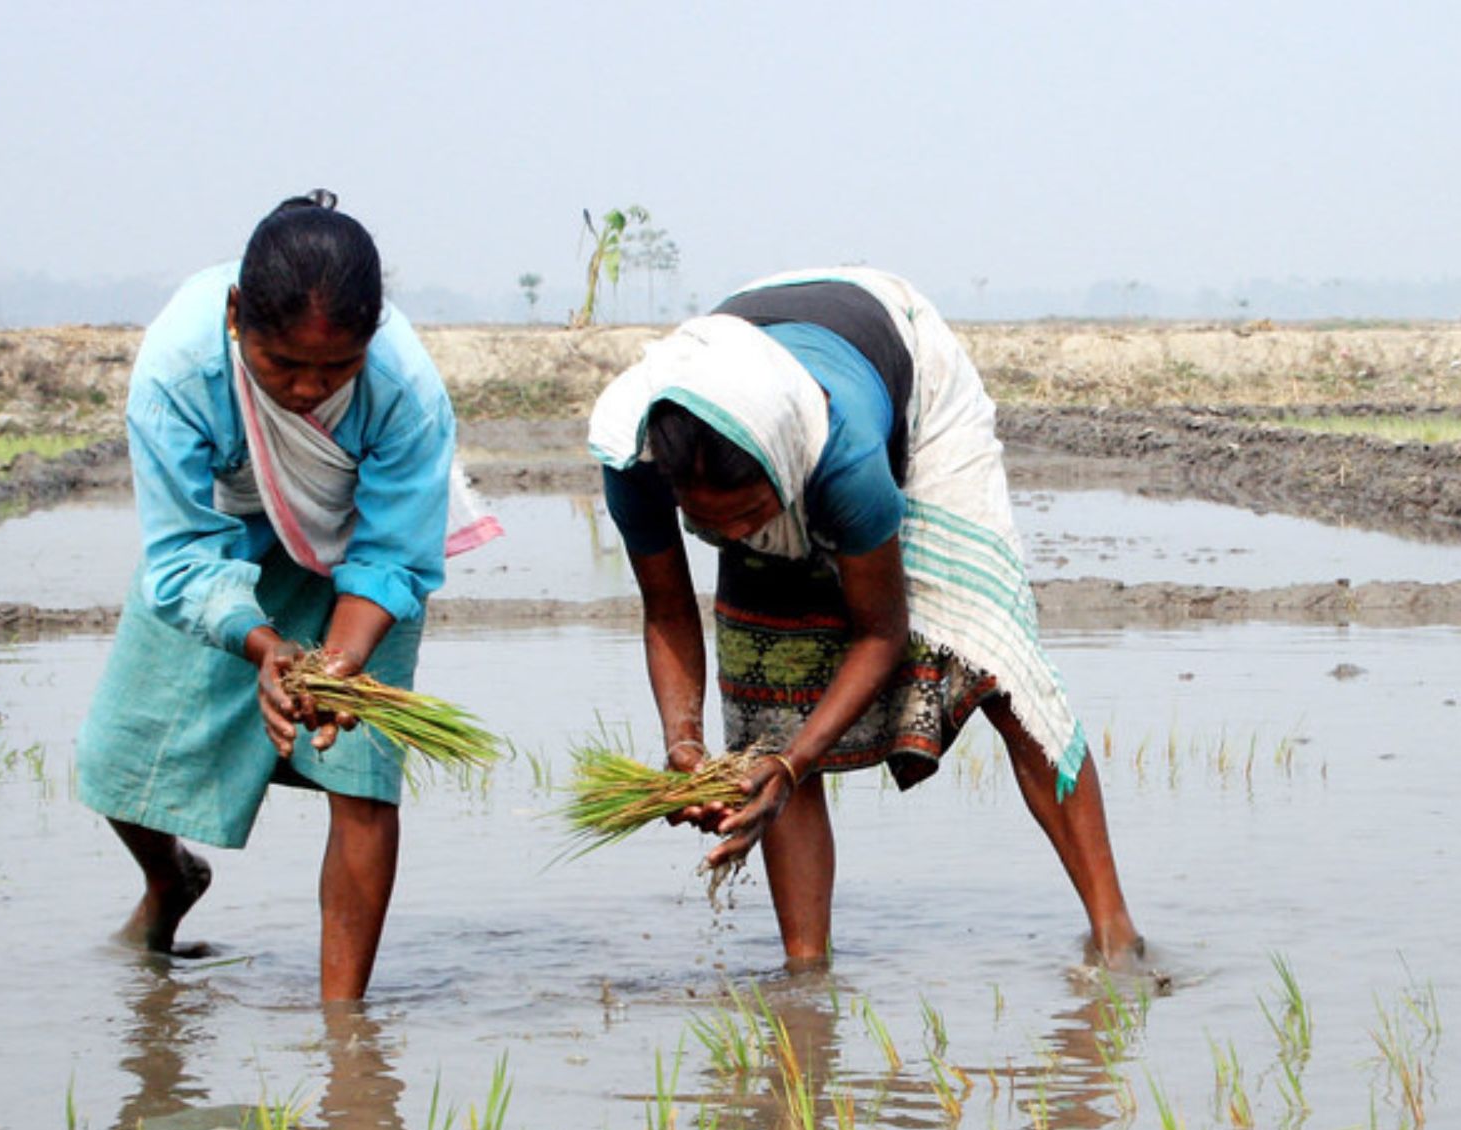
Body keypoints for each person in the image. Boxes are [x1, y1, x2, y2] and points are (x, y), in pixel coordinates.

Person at [587, 267, 1141, 971]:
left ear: (783, 472)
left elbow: (881, 631)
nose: (735, 536)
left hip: (908, 380)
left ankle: (1116, 937)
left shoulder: (844, 456)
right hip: (756, 370)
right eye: (708, 523)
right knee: (765, 716)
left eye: (751, 514)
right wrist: (685, 744)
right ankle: (804, 974)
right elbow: (667, 609)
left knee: (1000, 668)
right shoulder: (640, 460)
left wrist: (794, 764)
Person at [76, 192, 493, 1001]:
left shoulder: (404, 388)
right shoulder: (178, 368)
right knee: (122, 752)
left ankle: (343, 1023)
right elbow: (181, 552)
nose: (307, 388)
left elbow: (393, 554)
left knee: (361, 779)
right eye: (281, 365)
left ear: (371, 336)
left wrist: (337, 664)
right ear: (237, 317)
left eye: (335, 369)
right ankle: (169, 880)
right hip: (222, 537)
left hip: (355, 546)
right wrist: (262, 644)